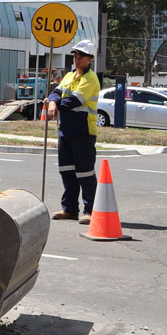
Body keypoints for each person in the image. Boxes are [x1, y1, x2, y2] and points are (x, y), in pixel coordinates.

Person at [45, 40, 101, 225]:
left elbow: (73, 101)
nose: (77, 59)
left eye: (81, 56)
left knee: (84, 172)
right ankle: (69, 209)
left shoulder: (90, 79)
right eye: (75, 56)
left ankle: (90, 210)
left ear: (90, 59)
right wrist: (52, 101)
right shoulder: (70, 76)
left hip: (83, 131)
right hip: (66, 131)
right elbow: (56, 92)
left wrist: (54, 104)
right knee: (66, 171)